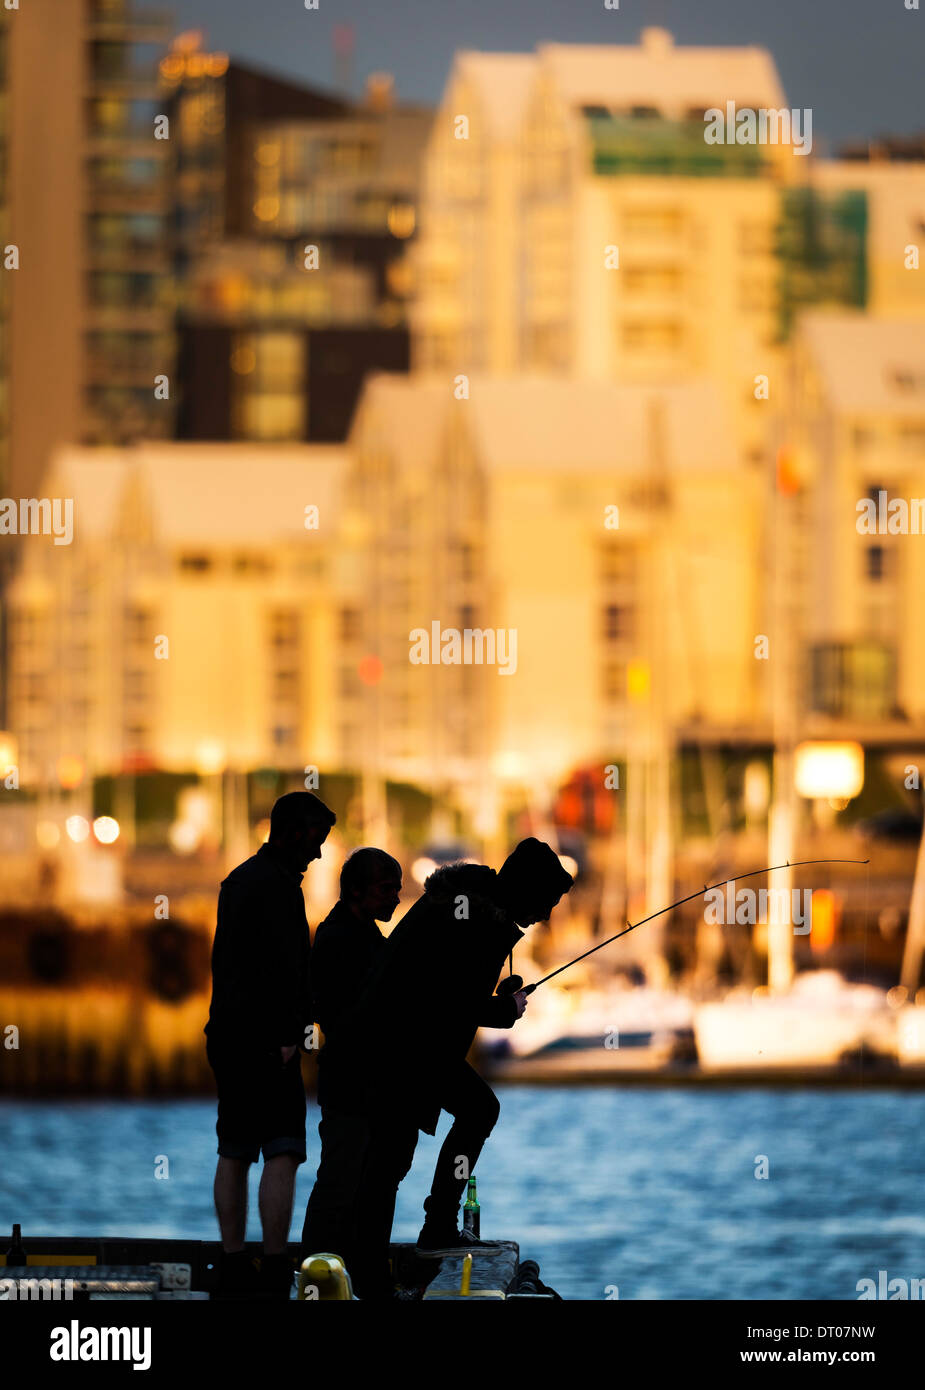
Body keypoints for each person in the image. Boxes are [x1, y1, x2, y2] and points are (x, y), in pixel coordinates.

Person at [350, 838, 573, 1284]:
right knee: (388, 1162)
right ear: (526, 888)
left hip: (413, 1043)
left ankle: (429, 1232)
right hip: (398, 1045)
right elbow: (442, 998)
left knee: (461, 1119)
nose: (547, 914)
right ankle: (373, 1274)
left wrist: (496, 998)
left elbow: (451, 988)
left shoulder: (476, 907)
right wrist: (500, 1011)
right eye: (546, 901)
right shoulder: (468, 911)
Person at [204, 790, 336, 1298]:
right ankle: (277, 1264)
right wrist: (287, 1037)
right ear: (295, 832)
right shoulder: (278, 887)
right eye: (317, 840)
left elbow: (230, 969)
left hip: (228, 1038)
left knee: (234, 1149)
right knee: (283, 1150)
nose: (320, 852)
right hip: (266, 1044)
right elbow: (280, 971)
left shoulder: (237, 881)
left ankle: (233, 1260)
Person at [299, 847, 405, 1294]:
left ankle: (357, 1275)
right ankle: (317, 1277)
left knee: (367, 1184)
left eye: (398, 889)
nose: (396, 899)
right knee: (341, 1184)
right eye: (387, 889)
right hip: (351, 1084)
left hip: (365, 1084)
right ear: (357, 890)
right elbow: (352, 1013)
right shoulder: (342, 938)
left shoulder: (356, 934)